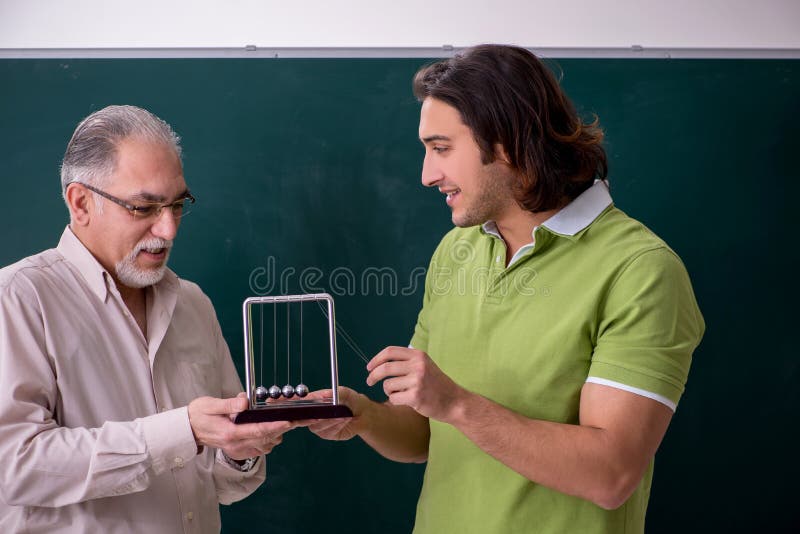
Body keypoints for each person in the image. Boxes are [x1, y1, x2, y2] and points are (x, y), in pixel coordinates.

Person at [304, 45, 705, 533]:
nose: (427, 175)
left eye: (441, 148)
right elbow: (424, 434)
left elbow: (610, 474)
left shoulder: (641, 270)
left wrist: (457, 404)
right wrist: (363, 416)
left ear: (508, 142)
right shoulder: (457, 249)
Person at [0, 105, 294, 533]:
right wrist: (183, 430)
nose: (168, 229)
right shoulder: (17, 299)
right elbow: (15, 467)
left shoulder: (193, 304)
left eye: (177, 205)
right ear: (81, 203)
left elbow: (223, 486)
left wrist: (239, 449)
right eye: (143, 207)